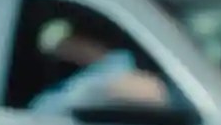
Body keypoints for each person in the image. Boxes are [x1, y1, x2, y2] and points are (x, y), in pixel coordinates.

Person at [28, 19, 168, 114]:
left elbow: (155, 94)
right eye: (60, 49)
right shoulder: (79, 80)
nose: (70, 49)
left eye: (70, 41)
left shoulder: (122, 66)